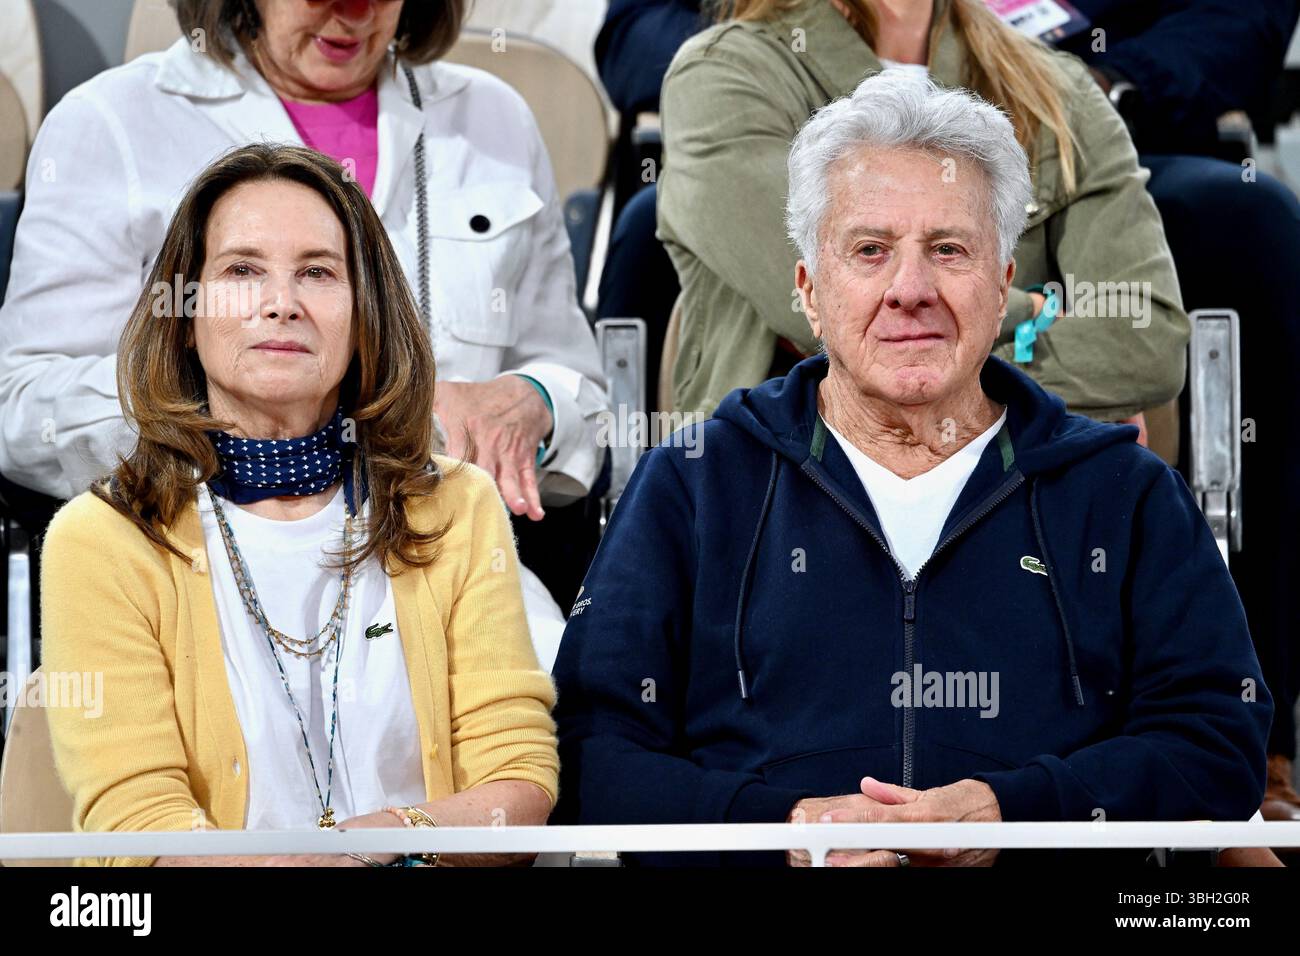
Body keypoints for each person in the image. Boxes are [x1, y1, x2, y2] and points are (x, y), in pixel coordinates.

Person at [553, 73, 1271, 867]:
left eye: (949, 250)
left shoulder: (1125, 496)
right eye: (869, 250)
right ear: (810, 292)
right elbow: (591, 759)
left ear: (1003, 291)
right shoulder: (689, 485)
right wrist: (787, 833)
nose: (910, 290)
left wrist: (1014, 812)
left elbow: (1218, 745)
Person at [0, 0, 607, 668]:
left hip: (445, 566)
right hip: (203, 571)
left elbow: (577, 383)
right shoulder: (112, 122)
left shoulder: (495, 120)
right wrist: (264, 415)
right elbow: (24, 407)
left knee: (566, 722)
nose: (352, 13)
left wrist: (532, 403)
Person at [40, 144, 559, 867]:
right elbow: (138, 826)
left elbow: (518, 784)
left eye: (317, 272)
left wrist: (377, 847)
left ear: (365, 313)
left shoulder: (458, 507)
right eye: (242, 270)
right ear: (185, 313)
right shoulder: (103, 539)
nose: (281, 302)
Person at [657, 0, 1186, 449]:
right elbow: (827, 314)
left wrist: (931, 370)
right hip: (788, 483)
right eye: (871, 249)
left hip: (1019, 487)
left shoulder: (1055, 87)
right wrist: (1034, 315)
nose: (910, 290)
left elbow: (1149, 340)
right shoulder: (721, 76)